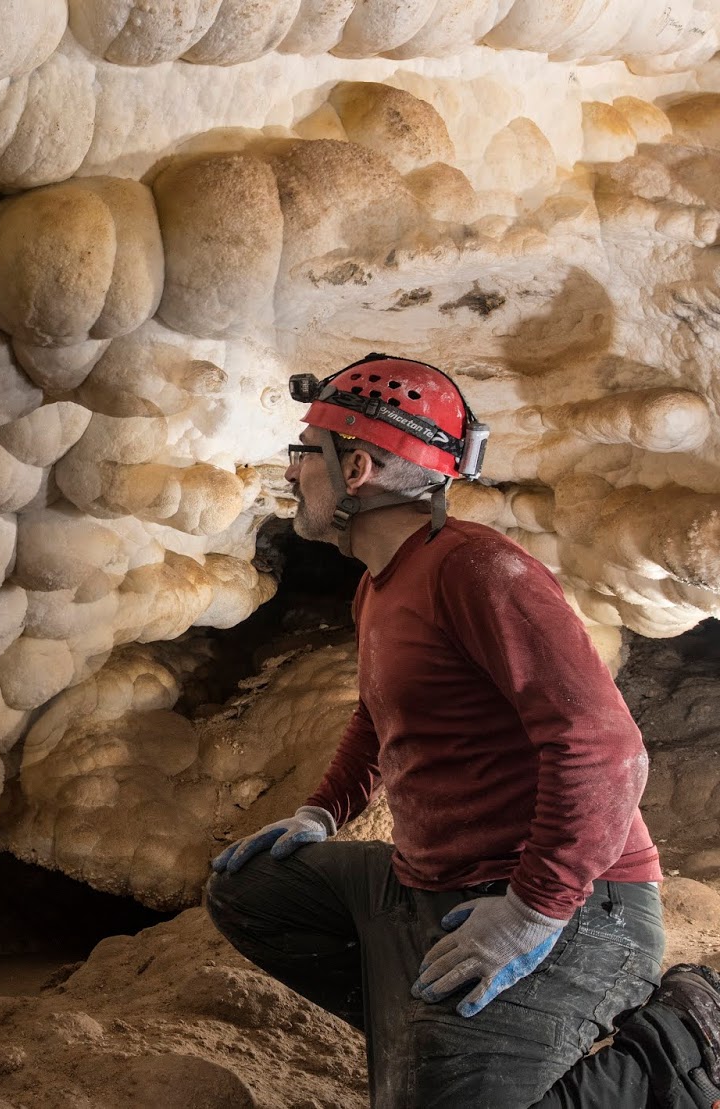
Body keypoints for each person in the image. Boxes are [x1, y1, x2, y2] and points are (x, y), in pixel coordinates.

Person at [203, 353, 720, 1109]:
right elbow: (380, 713)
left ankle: (677, 1039)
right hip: (434, 886)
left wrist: (530, 911)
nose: (290, 474)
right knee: (248, 890)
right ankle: (445, 1037)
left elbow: (608, 752)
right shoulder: (382, 584)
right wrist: (322, 810)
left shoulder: (477, 572)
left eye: (302, 454)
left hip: (575, 903)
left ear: (357, 467)